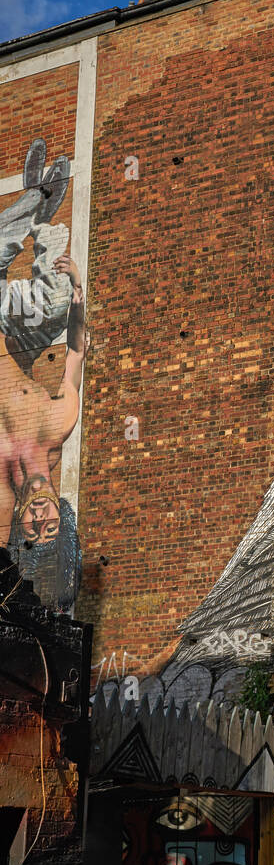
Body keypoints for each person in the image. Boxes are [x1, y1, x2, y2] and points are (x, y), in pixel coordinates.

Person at [0, 141, 83, 608]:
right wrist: (78, 294)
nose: (40, 519)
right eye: (52, 525)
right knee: (54, 301)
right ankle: (42, 208)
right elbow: (74, 354)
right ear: (63, 514)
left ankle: (35, 201)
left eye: (35, 531)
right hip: (22, 332)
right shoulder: (59, 424)